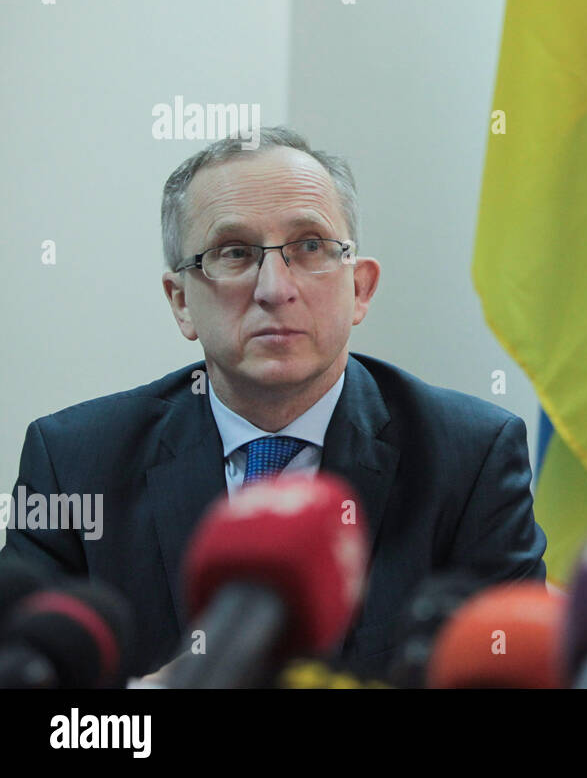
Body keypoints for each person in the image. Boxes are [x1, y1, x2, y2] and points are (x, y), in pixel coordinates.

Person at [1, 127, 546, 678]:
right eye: (233, 253)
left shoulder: (470, 456)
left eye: (309, 246)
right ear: (181, 302)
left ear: (359, 288)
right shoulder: (73, 462)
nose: (274, 288)